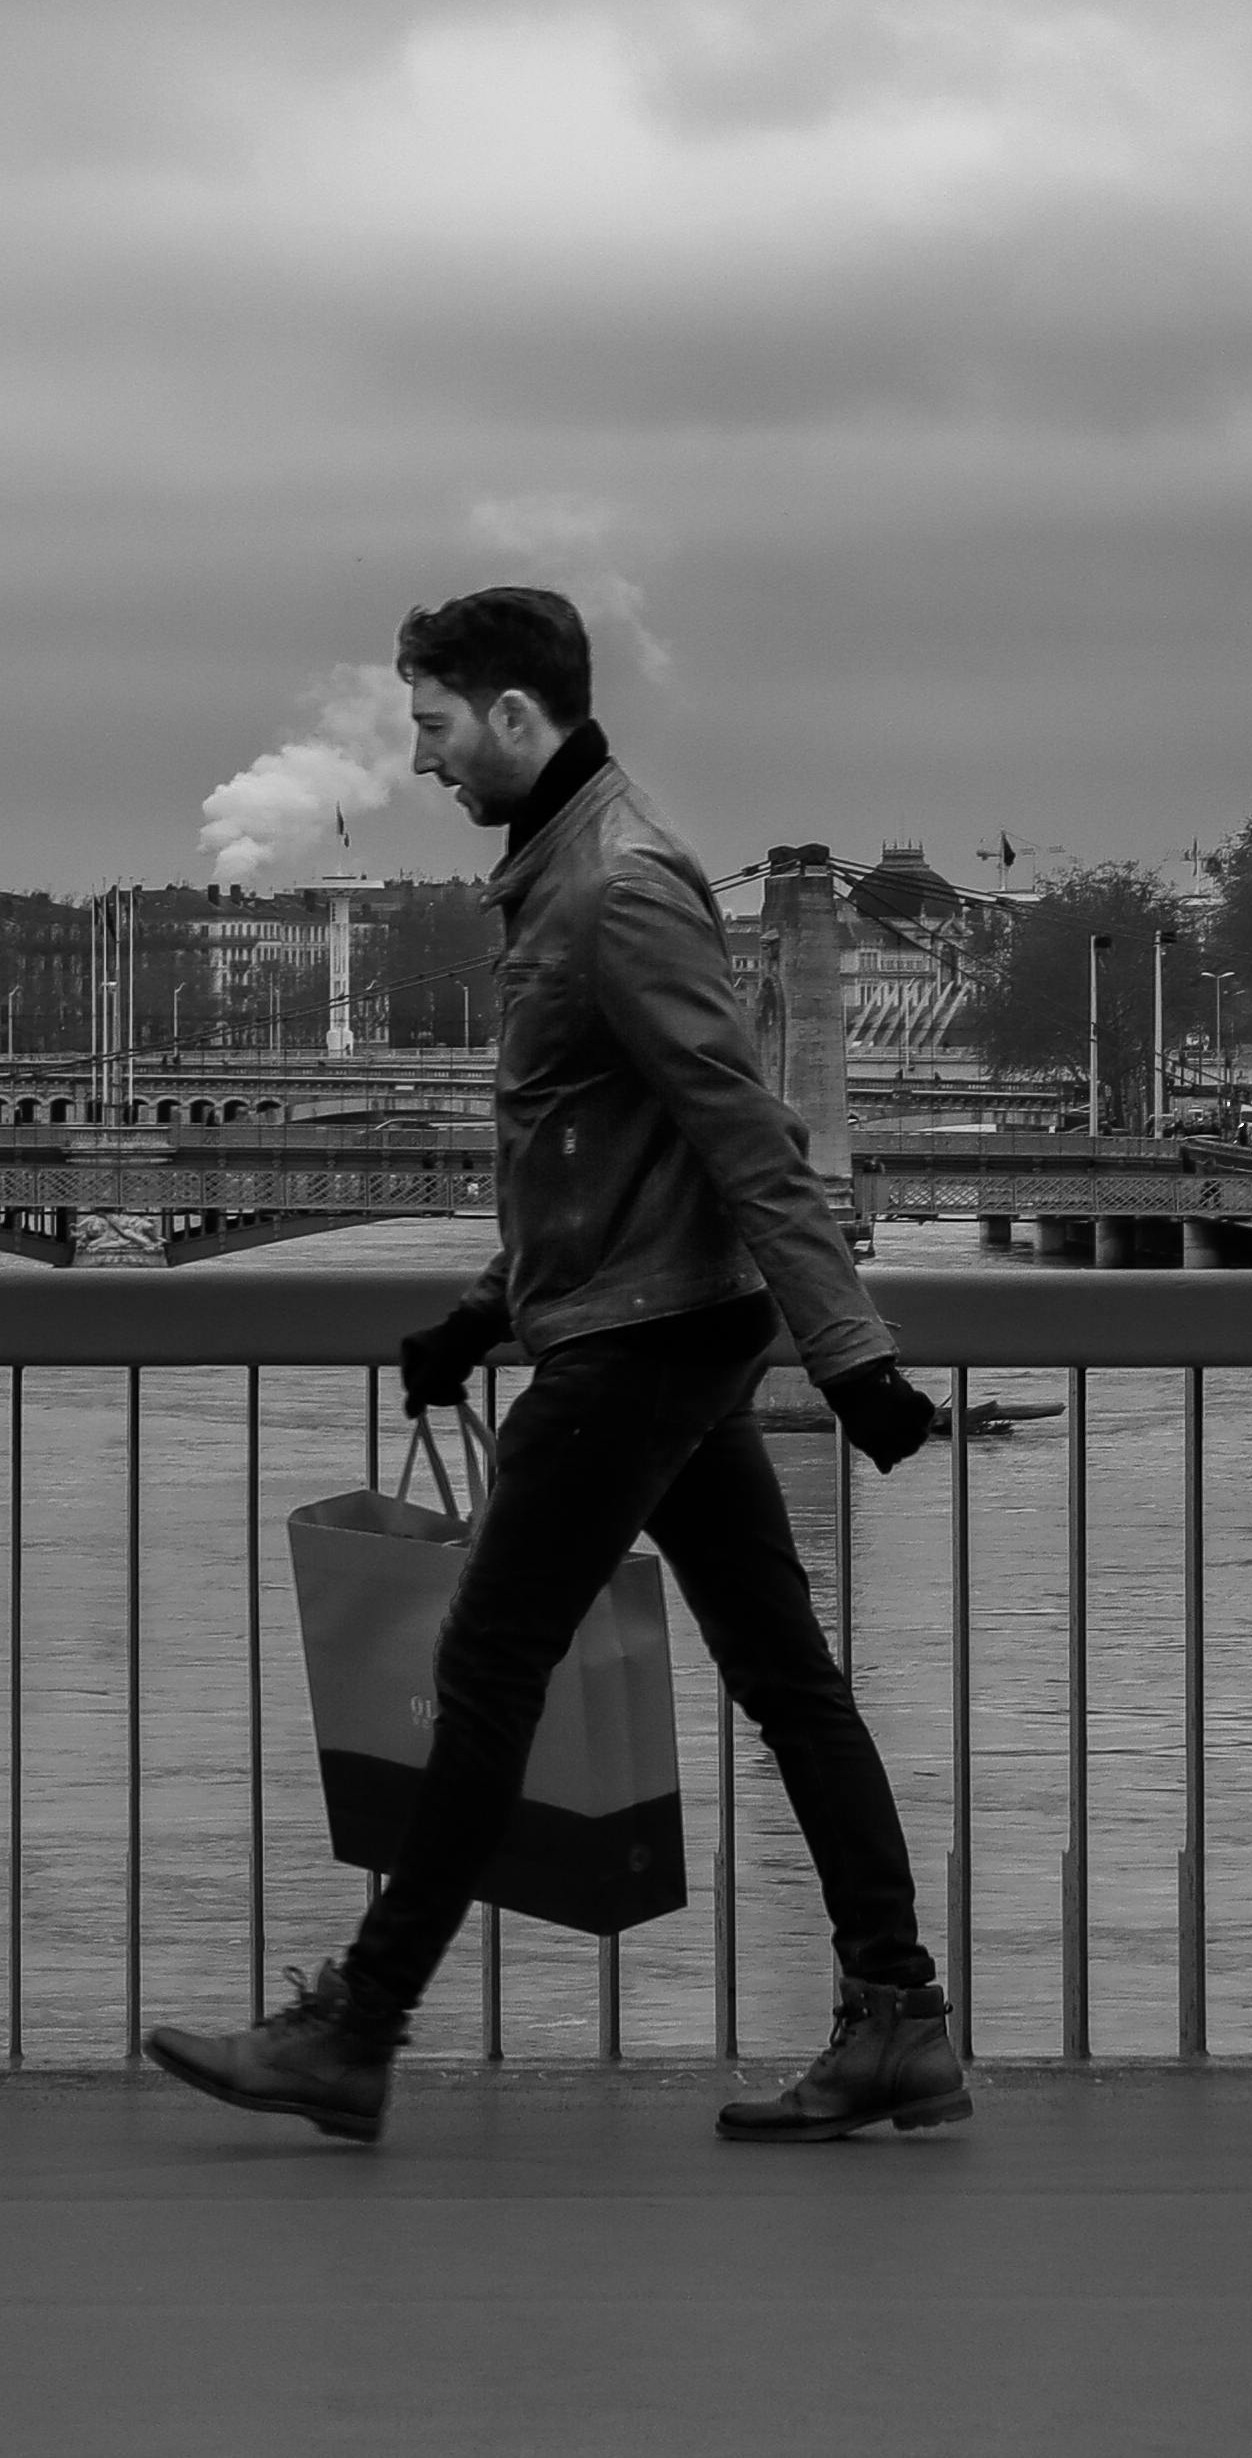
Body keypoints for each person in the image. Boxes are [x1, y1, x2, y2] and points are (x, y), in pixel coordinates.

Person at [147, 581, 965, 2152]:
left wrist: (849, 1354)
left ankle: (356, 2033)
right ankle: (896, 2021)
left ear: (516, 717)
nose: (425, 762)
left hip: (642, 1345)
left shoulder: (613, 891)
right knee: (789, 1682)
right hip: (649, 1320)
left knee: (484, 1673)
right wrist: (482, 1311)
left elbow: (745, 1130)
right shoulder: (576, 873)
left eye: (436, 729)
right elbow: (602, 1157)